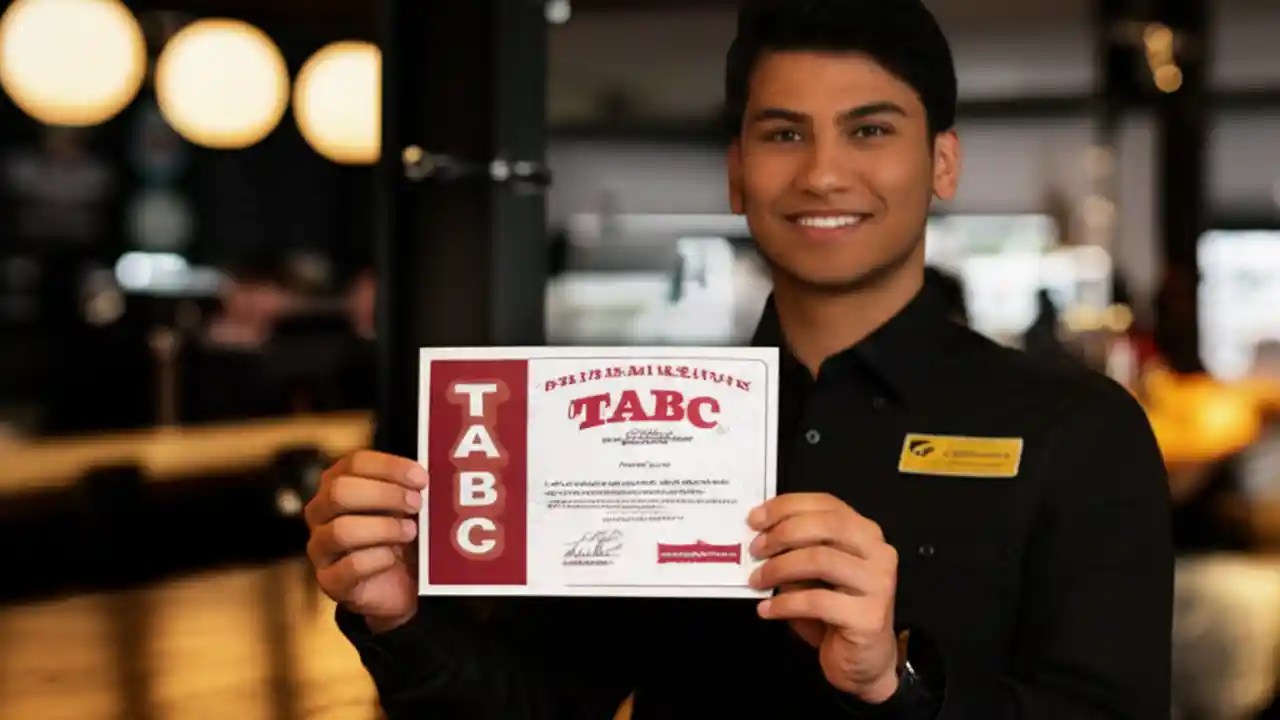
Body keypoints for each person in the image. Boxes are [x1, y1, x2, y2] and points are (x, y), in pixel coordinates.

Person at [304, 1, 1174, 717]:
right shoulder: (641, 436)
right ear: (736, 171)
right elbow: (544, 700)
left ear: (941, 162)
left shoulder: (1076, 429)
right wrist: (398, 616)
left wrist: (894, 680)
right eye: (784, 134)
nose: (825, 175)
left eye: (870, 130)